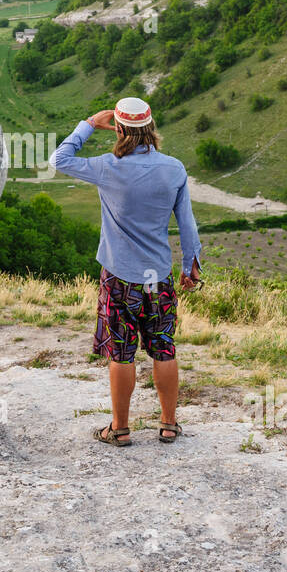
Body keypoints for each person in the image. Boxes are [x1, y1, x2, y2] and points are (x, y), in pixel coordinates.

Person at [51, 97, 202, 448]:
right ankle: (168, 425)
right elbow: (187, 223)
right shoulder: (174, 169)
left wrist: (89, 122)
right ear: (152, 128)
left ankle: (119, 429)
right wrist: (190, 265)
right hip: (159, 277)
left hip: (119, 277)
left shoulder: (107, 167)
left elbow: (59, 159)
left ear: (118, 129)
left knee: (121, 352)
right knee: (164, 348)